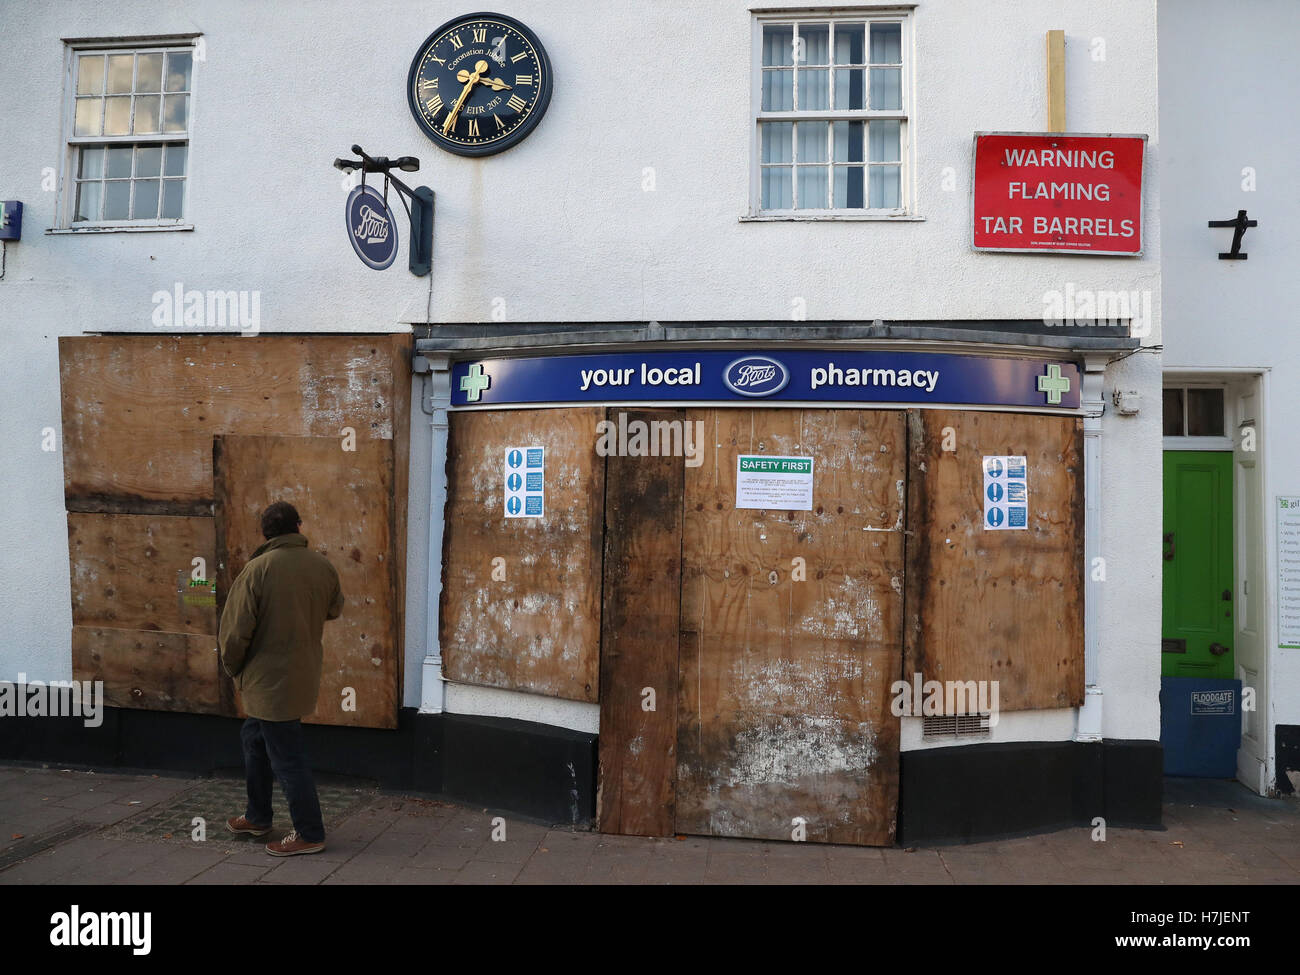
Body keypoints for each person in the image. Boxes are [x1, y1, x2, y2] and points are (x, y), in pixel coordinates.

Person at [218, 501, 343, 856]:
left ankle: (309, 833)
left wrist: (233, 667)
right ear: (298, 527)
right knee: (254, 738)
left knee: (287, 757)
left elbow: (234, 634)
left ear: (265, 533)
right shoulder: (322, 565)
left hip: (267, 678)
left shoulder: (257, 569)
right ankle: (257, 817)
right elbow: (334, 608)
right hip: (301, 671)